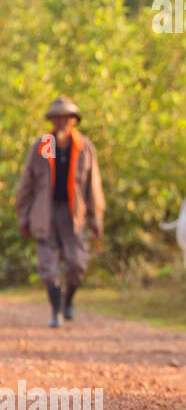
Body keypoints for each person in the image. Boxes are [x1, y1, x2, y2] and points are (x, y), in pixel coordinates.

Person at [15, 97, 105, 327]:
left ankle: (68, 301)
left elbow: (92, 187)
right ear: (52, 120)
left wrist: (96, 219)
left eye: (66, 117)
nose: (61, 122)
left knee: (77, 263)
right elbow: (27, 183)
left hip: (74, 214)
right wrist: (23, 215)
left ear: (73, 121)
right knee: (48, 267)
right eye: (57, 117)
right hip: (44, 213)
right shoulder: (44, 145)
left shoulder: (84, 147)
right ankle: (55, 311)